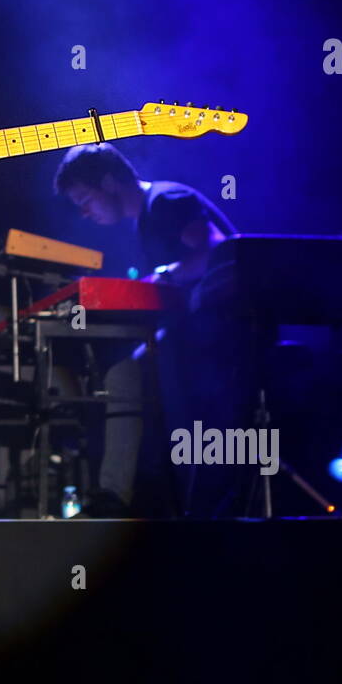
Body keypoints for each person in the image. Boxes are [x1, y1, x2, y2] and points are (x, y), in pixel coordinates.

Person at [54, 143, 237, 515]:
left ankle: (130, 499)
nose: (85, 213)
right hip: (196, 336)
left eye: (84, 199)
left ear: (109, 182)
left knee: (129, 376)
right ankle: (129, 496)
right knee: (125, 373)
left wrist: (162, 277)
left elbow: (220, 252)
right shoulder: (146, 219)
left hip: (226, 336)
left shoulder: (168, 200)